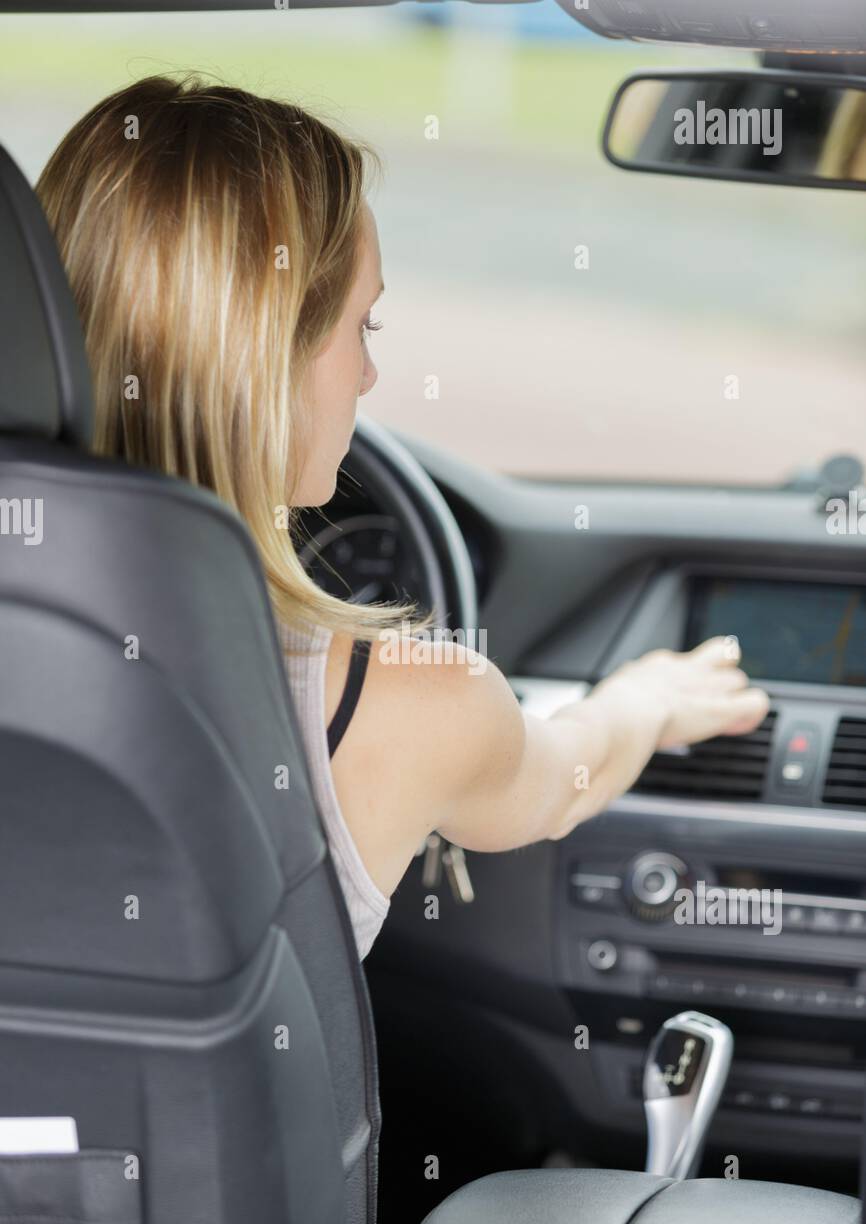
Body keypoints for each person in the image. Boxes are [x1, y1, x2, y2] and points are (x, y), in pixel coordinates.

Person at [36, 74, 769, 960]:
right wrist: (646, 701)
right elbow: (566, 779)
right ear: (267, 359)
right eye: (364, 327)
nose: (369, 378)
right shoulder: (400, 704)